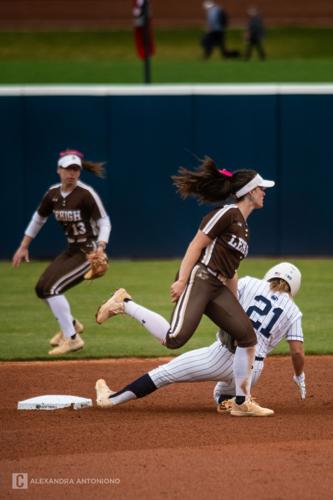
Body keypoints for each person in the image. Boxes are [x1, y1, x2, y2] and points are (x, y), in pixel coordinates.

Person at [96, 156, 275, 416]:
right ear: (248, 192)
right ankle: (124, 303)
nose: (264, 192)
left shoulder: (243, 227)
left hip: (218, 286)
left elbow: (232, 270)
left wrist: (234, 305)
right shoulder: (227, 213)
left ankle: (241, 402)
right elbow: (196, 245)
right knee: (174, 339)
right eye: (261, 188)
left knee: (247, 336)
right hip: (200, 278)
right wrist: (182, 279)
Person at [95, 262, 305, 417]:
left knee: (163, 373)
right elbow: (296, 351)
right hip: (254, 372)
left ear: (269, 275)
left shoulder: (251, 283)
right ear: (294, 287)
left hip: (223, 356)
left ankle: (111, 399)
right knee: (222, 393)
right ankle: (233, 401)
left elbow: (227, 301)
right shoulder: (293, 311)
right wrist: (299, 377)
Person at [12, 149, 111, 356]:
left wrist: (101, 246)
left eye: (75, 169)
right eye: (67, 169)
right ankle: (71, 325)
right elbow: (38, 219)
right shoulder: (53, 194)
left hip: (88, 252)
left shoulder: (85, 194)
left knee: (52, 289)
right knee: (41, 288)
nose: (72, 173)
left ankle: (72, 339)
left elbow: (104, 222)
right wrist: (23, 246)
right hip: (71, 250)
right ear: (59, 170)